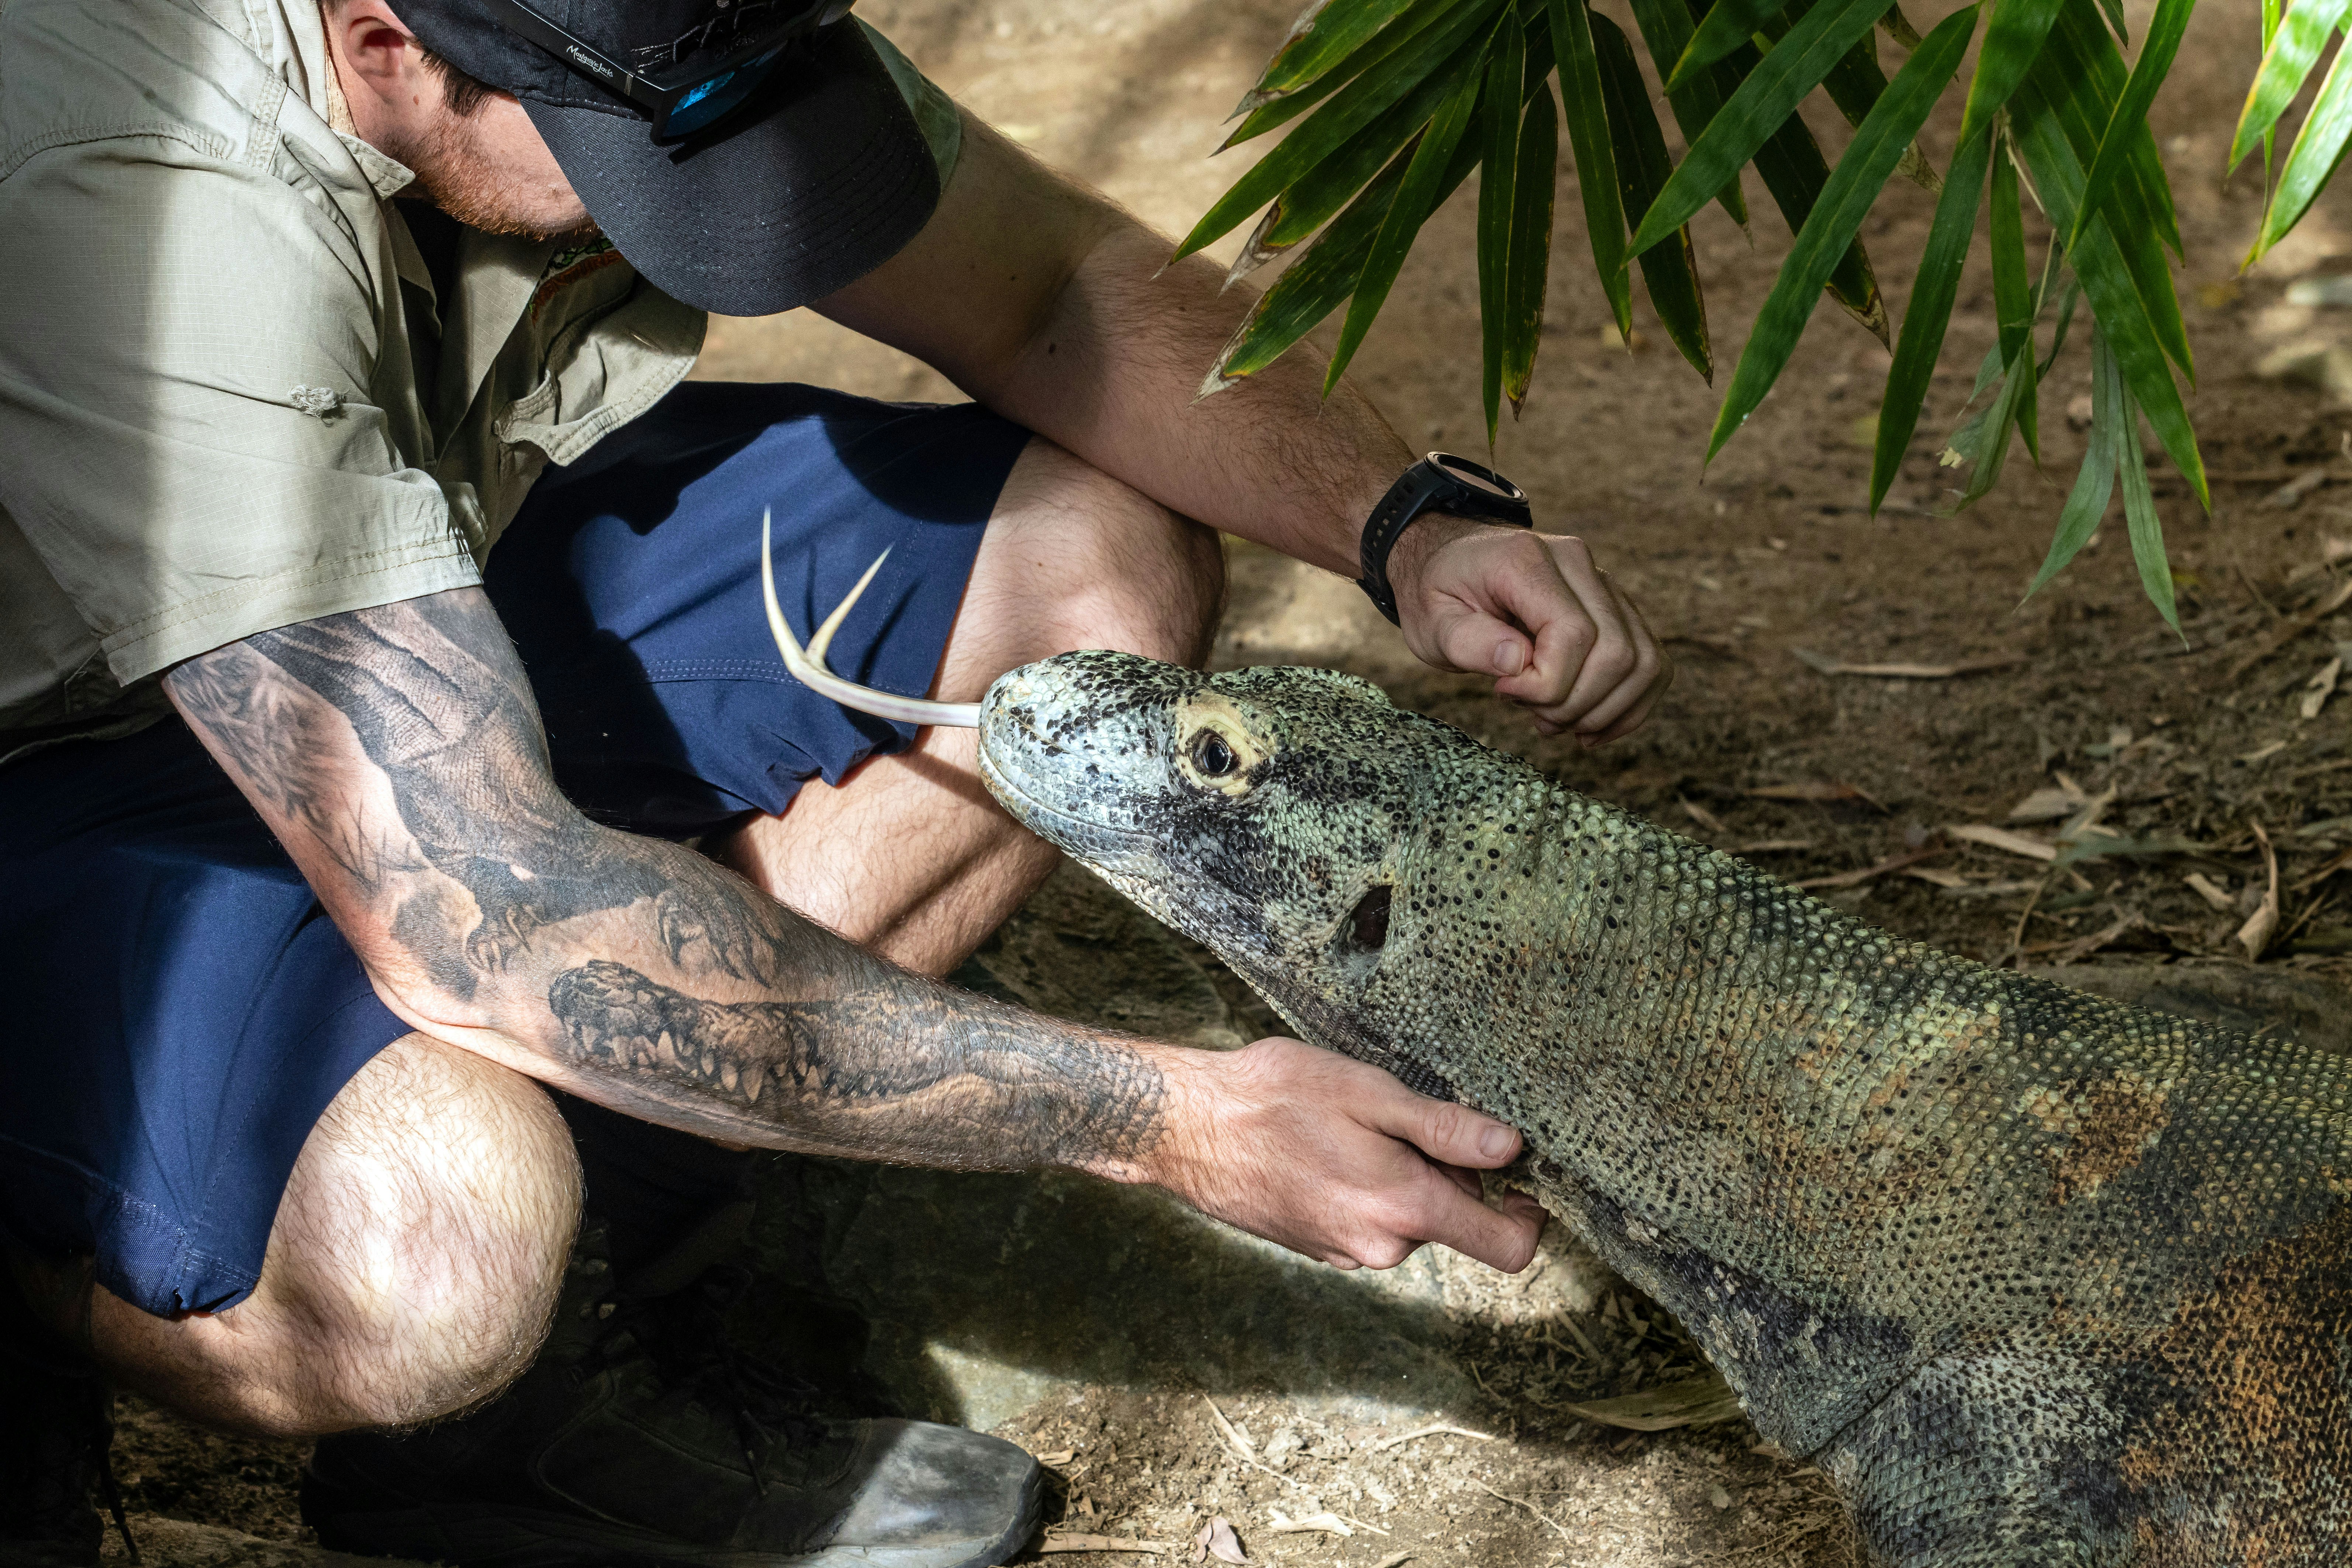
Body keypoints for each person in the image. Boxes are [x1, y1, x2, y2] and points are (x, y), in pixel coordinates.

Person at [0, 0, 1672, 1560]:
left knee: (1084, 575)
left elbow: (1042, 290)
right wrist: (1167, 1118)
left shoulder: (656, 23)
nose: (682, 214)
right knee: (434, 1249)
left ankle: (570, 1339)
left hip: (411, 566)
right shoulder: (146, 198)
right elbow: (489, 920)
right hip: (51, 761)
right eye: (629, 176)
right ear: (383, 41)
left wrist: (1407, 518)